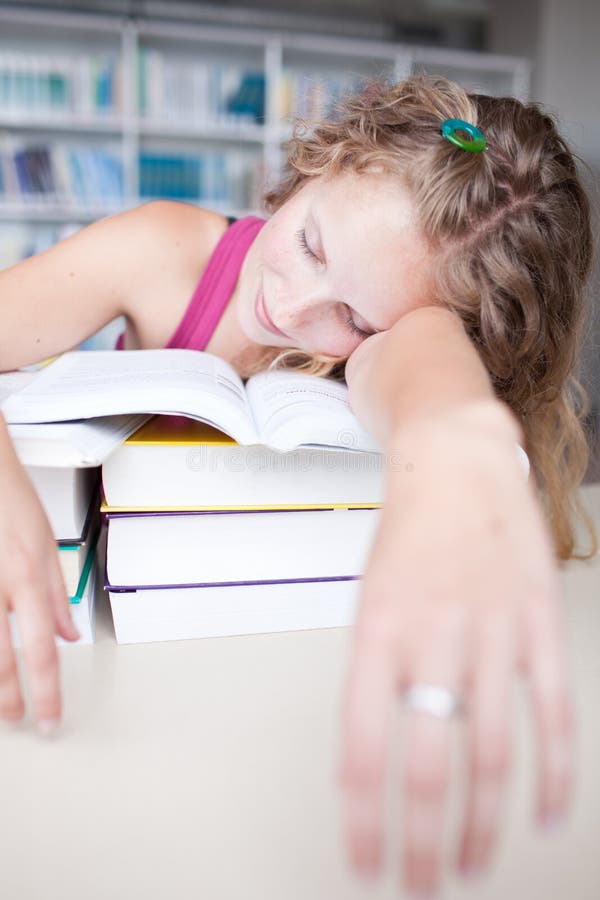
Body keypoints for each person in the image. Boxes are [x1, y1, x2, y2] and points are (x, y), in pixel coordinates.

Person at [0, 74, 596, 897]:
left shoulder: (409, 322)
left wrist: (455, 439)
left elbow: (428, 368)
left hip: (242, 697)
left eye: (355, 321)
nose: (293, 306)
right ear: (322, 160)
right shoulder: (161, 249)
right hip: (92, 656)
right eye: (312, 245)